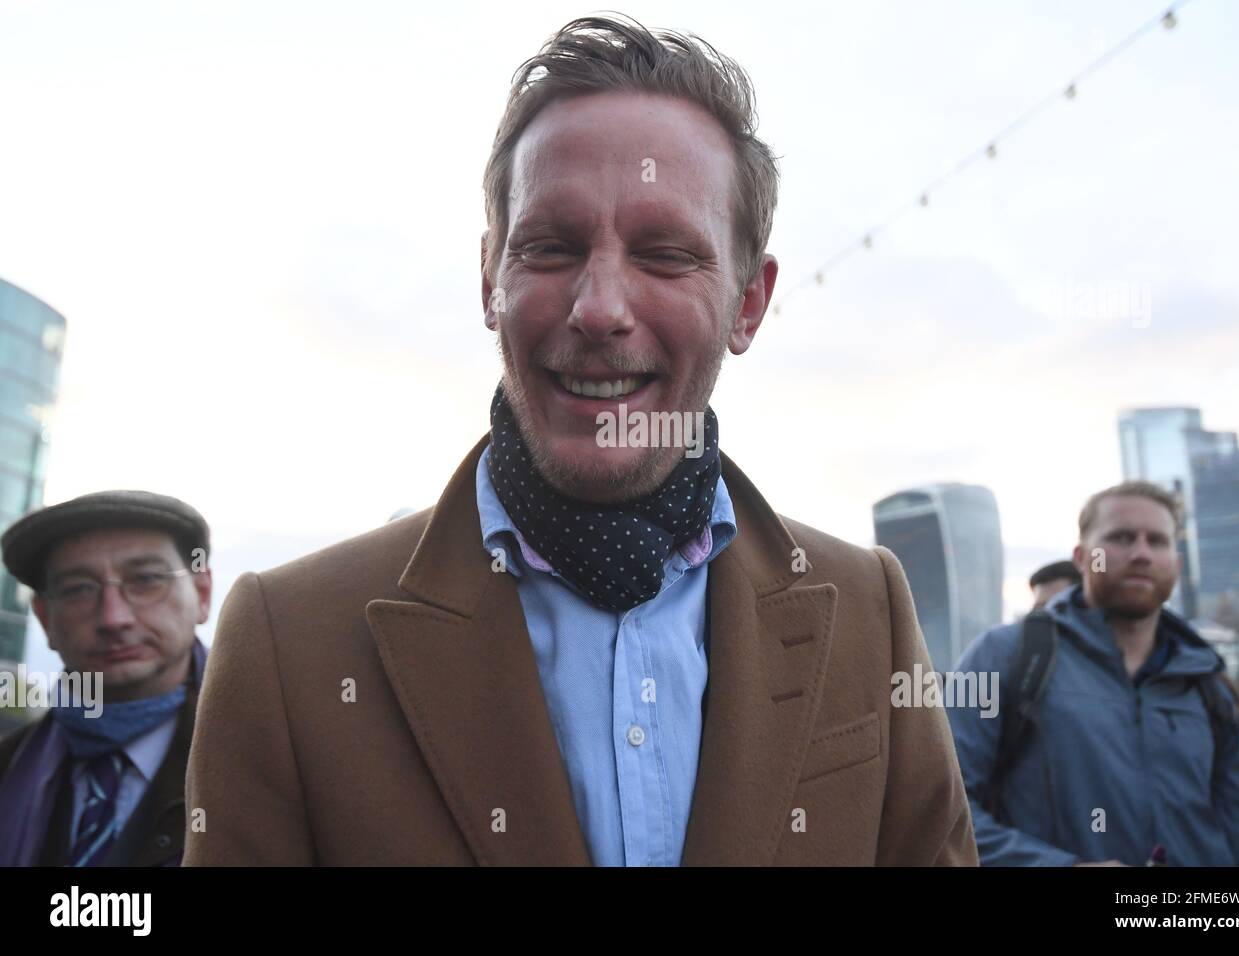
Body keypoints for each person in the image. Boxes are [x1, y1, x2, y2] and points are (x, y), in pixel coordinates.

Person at [183, 14, 976, 867]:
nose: (599, 307)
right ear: (490, 280)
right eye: (552, 247)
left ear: (750, 301)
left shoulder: (868, 610)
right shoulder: (287, 640)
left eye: (666, 254)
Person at [949, 480, 1239, 866]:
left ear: (1175, 561)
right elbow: (944, 805)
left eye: (1157, 541)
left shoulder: (1207, 681)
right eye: (1122, 538)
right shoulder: (1004, 654)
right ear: (1081, 557)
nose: (1141, 553)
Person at [0, 490, 212, 866]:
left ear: (202, 593)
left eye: (146, 579)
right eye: (79, 588)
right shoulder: (7, 767)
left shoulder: (271, 761)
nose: (114, 618)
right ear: (45, 618)